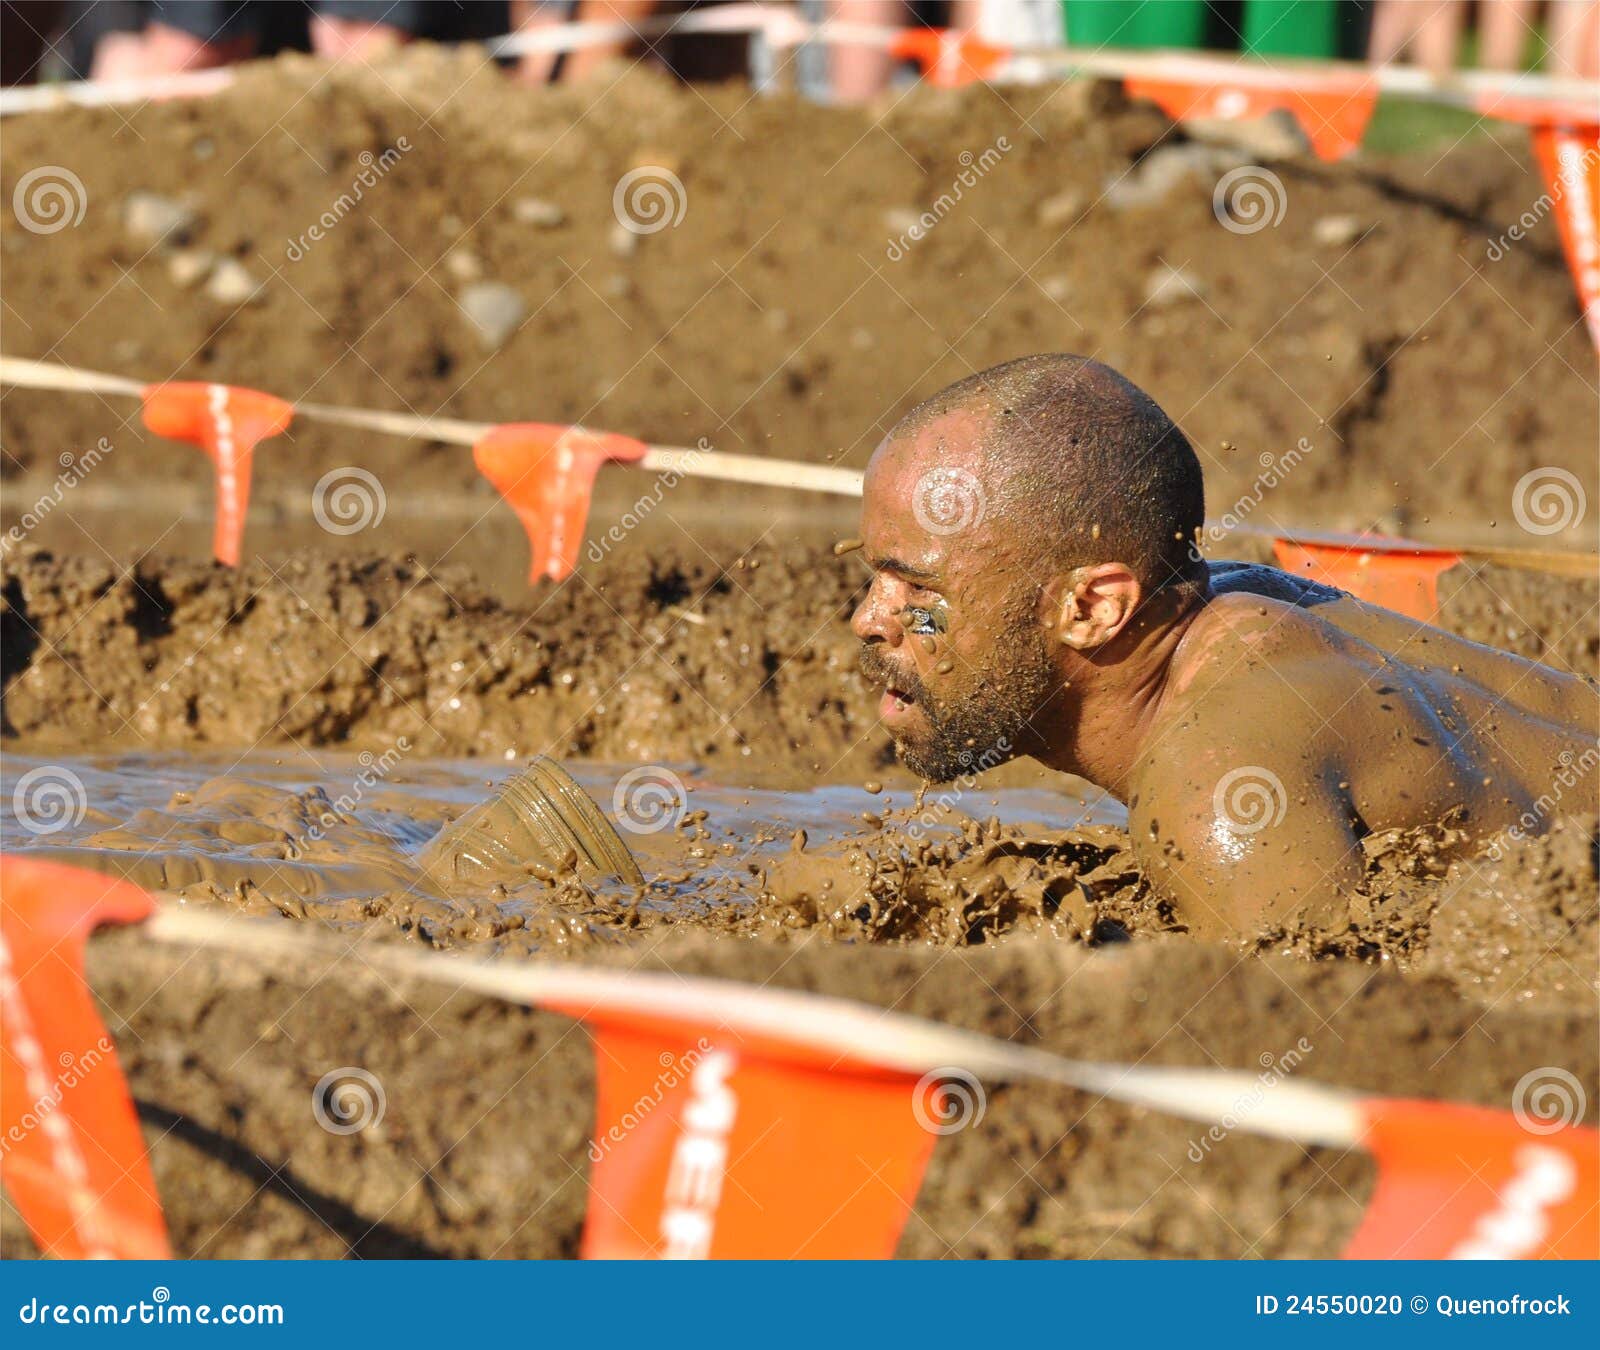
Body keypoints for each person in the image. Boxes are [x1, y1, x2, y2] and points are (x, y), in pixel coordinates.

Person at [850, 354, 1597, 937]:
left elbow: (1327, 1067)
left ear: (1093, 607)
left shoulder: (1217, 790)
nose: (868, 619)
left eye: (920, 592)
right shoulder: (1231, 608)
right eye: (875, 576)